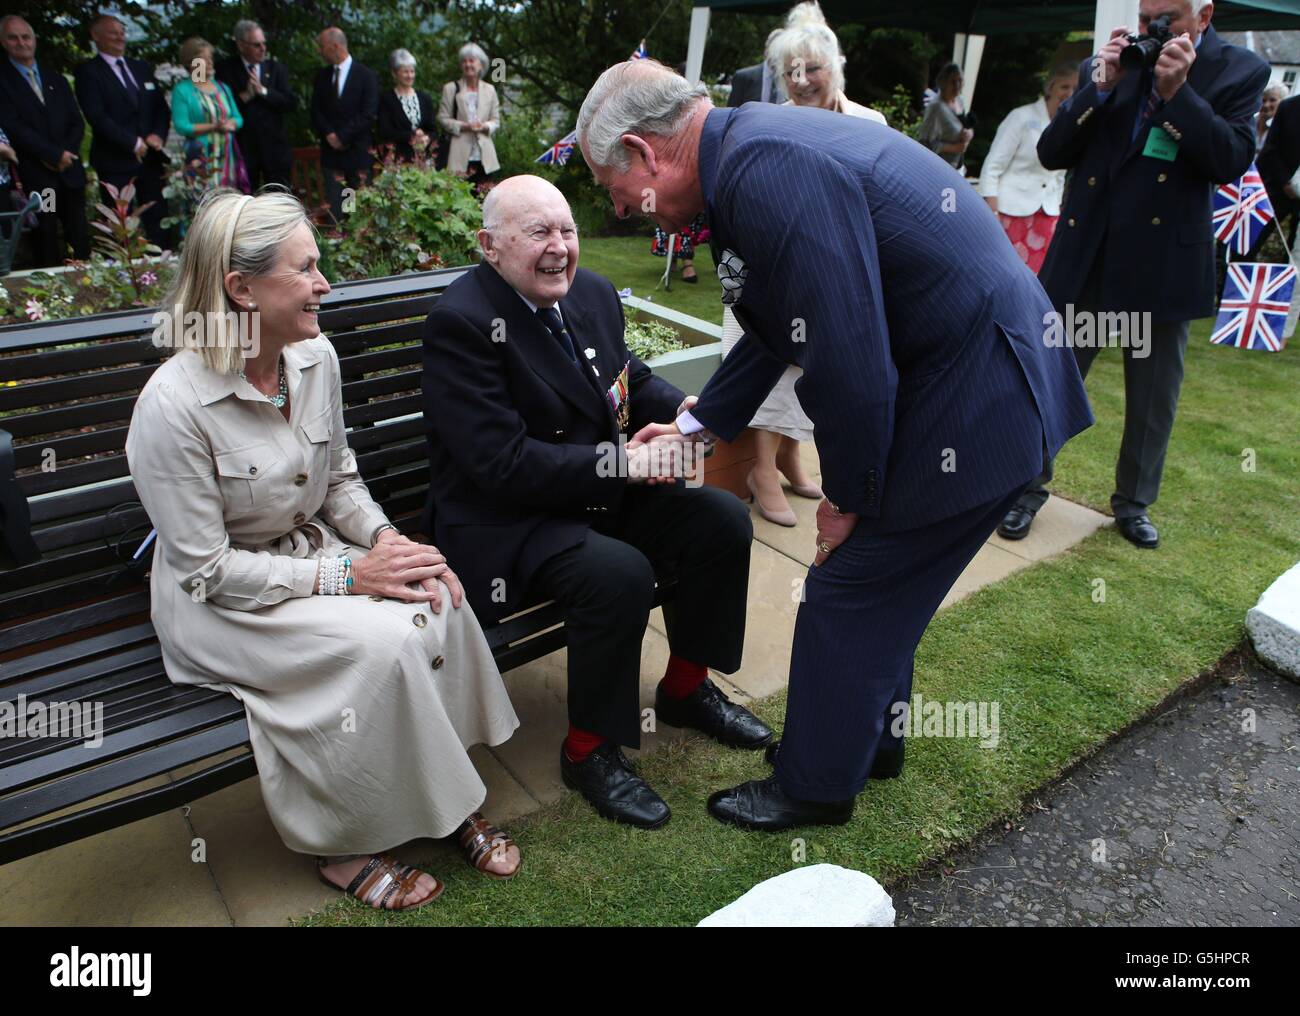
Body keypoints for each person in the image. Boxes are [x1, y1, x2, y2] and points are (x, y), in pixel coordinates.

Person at [577, 60, 1092, 830]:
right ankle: (872, 745)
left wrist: (848, 497)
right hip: (977, 375)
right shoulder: (746, 155)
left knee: (848, 590)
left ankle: (814, 785)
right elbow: (782, 322)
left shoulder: (764, 175)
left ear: (648, 154)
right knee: (886, 586)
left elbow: (852, 367)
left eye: (612, 184)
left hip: (976, 395)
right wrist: (696, 424)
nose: (617, 204)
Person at [126, 189, 521, 909]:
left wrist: (388, 541)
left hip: (312, 557)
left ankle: (448, 798)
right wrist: (349, 575)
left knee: (439, 596)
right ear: (240, 289)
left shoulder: (315, 356)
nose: (324, 285)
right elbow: (207, 570)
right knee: (383, 646)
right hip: (221, 603)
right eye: (304, 270)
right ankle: (346, 846)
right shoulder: (171, 407)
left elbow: (340, 480)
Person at [420, 175, 770, 830]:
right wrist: (627, 462)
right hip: (505, 520)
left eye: (568, 230)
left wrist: (687, 413)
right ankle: (588, 751)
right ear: (489, 247)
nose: (560, 248)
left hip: (592, 489)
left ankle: (686, 688)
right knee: (617, 573)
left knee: (720, 519)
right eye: (539, 233)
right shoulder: (463, 325)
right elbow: (501, 465)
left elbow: (627, 375)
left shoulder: (592, 292)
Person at [999, 0, 1270, 550]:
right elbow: (1054, 152)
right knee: (1054, 380)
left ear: (1205, 15)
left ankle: (1134, 503)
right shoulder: (1116, 61)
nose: (1155, 29)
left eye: (1167, 17)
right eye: (1147, 18)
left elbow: (1229, 159)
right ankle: (1023, 489)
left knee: (1153, 395)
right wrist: (1097, 89)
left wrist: (1177, 94)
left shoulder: (1241, 71)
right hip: (1091, 256)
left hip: (1163, 261)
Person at [736, 0, 884, 529]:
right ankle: (761, 471)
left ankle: (792, 456)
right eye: (790, 71)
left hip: (837, 275)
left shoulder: (871, 123)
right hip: (770, 267)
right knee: (769, 360)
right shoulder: (768, 126)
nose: (801, 80)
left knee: (813, 367)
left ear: (835, 69)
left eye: (812, 69)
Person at [74, 13, 172, 248]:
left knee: (158, 217)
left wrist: (157, 135)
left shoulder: (141, 68)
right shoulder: (88, 72)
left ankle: (164, 267)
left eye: (122, 32)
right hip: (115, 160)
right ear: (96, 36)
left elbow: (160, 108)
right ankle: (125, 274)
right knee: (120, 223)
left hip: (150, 158)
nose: (120, 37)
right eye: (112, 32)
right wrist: (132, 142)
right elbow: (96, 116)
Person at [0, 15, 89, 266]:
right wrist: (52, 156)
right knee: (47, 233)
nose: (21, 42)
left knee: (78, 233)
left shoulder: (55, 80)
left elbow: (77, 121)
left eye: (25, 36)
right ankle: (51, 297)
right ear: (3, 42)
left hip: (69, 173)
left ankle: (88, 289)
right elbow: (14, 127)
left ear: (34, 40)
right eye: (13, 37)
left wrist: (65, 155)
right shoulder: (3, 82)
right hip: (41, 180)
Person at [978, 63, 1076, 274]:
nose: (1069, 93)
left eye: (1075, 89)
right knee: (1005, 276)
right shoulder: (1020, 117)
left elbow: (1060, 175)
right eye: (1064, 87)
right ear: (1050, 87)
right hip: (1010, 213)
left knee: (1040, 282)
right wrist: (992, 213)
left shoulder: (1070, 125)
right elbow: (992, 166)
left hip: (1048, 215)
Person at [216, 19, 295, 191]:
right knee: (245, 199)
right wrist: (246, 96)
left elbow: (289, 103)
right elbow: (221, 108)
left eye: (263, 44)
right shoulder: (225, 69)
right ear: (241, 45)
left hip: (275, 150)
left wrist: (263, 91)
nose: (263, 49)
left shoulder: (276, 69)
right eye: (256, 45)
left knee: (279, 199)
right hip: (244, 148)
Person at [310, 26, 378, 222]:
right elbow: (316, 112)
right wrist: (330, 134)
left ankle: (355, 245)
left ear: (335, 46)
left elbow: (368, 113)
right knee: (336, 207)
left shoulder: (366, 76)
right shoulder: (322, 77)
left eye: (322, 46)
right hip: (332, 156)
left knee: (355, 208)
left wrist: (342, 136)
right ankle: (336, 243)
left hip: (356, 154)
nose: (319, 51)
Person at [171, 37, 246, 192]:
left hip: (227, 154)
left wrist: (231, 124)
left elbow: (238, 118)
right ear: (191, 63)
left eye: (210, 58)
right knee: (204, 200)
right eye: (203, 59)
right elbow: (181, 126)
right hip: (201, 156)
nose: (210, 62)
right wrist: (213, 126)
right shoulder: (183, 90)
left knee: (229, 198)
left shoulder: (223, 88)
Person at [437, 44, 500, 188]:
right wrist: (464, 126)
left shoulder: (490, 90)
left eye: (471, 60)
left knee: (484, 197)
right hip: (459, 153)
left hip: (485, 155)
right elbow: (442, 118)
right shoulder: (451, 89)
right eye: (464, 61)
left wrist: (484, 126)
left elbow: (496, 120)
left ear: (481, 64)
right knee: (459, 195)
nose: (467, 64)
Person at [376, 49, 437, 163]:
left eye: (412, 71)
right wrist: (413, 135)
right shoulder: (386, 99)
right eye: (405, 72)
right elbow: (385, 131)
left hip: (423, 159)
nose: (410, 76)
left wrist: (426, 138)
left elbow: (433, 130)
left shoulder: (425, 98)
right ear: (394, 73)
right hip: (397, 159)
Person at [919, 62, 974, 170]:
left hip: (958, 165)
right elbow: (925, 143)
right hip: (938, 167)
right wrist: (954, 148)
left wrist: (969, 134)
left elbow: (963, 126)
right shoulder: (935, 108)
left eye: (960, 80)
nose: (957, 86)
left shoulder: (959, 100)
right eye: (953, 82)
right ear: (943, 83)